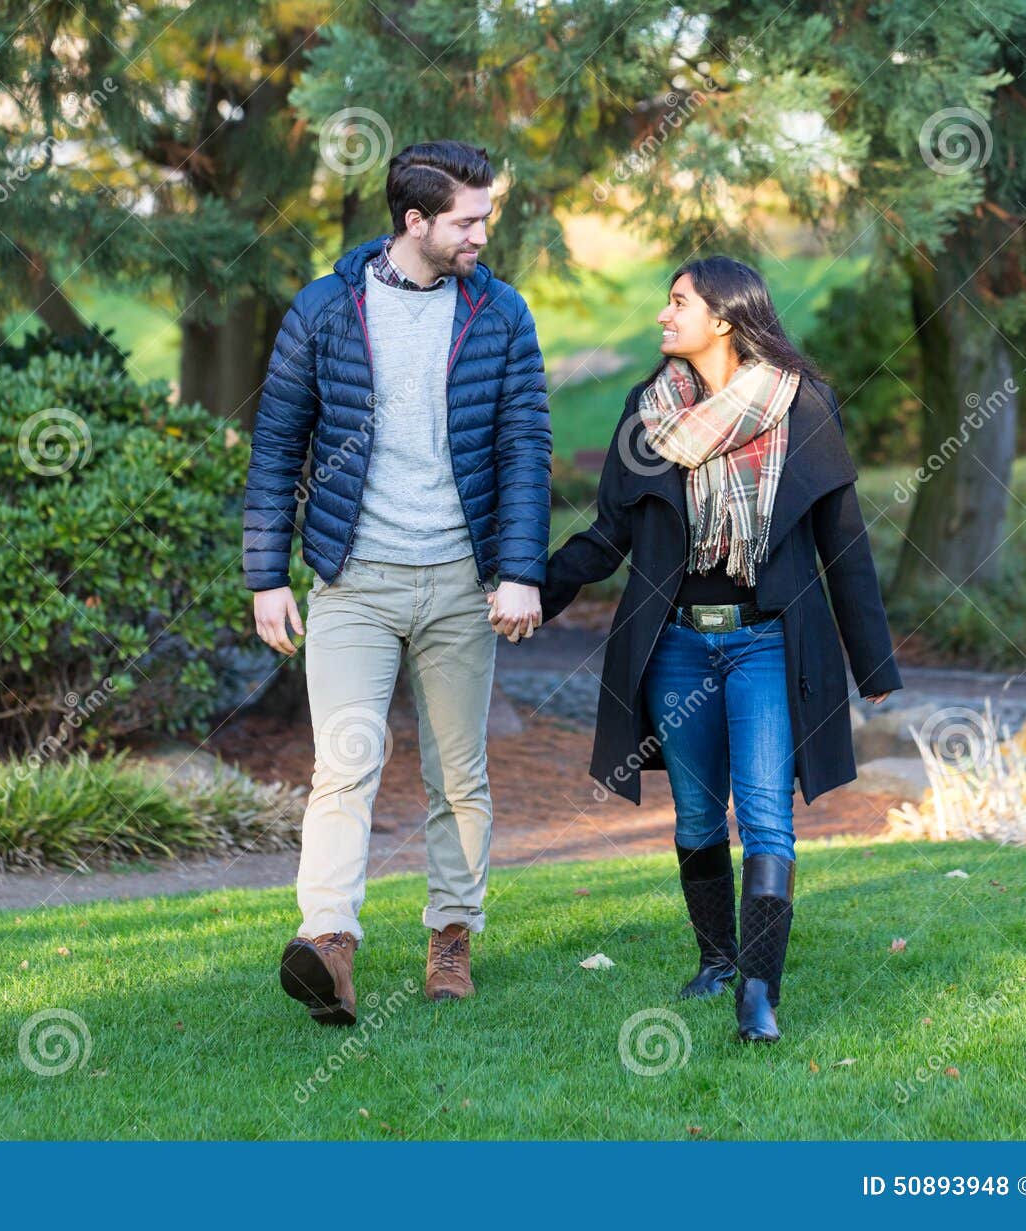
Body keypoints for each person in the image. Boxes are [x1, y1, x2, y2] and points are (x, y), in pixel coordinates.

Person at [494, 256, 901, 1042]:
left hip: (768, 643)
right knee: (694, 819)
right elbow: (609, 533)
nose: (662, 314)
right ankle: (716, 961)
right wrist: (530, 592)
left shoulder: (802, 406)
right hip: (675, 646)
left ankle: (758, 989)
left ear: (724, 318)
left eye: (677, 302)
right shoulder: (647, 413)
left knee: (766, 818)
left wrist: (872, 662)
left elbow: (841, 540)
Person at [243, 141, 551, 1027]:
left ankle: (450, 931)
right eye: (466, 219)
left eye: (485, 216)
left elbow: (526, 445)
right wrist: (269, 574)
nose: (481, 234)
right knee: (343, 764)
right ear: (413, 221)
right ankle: (329, 941)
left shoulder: (500, 313)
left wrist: (520, 569)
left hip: (461, 579)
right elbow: (276, 447)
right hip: (353, 579)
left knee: (461, 776)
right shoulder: (326, 309)